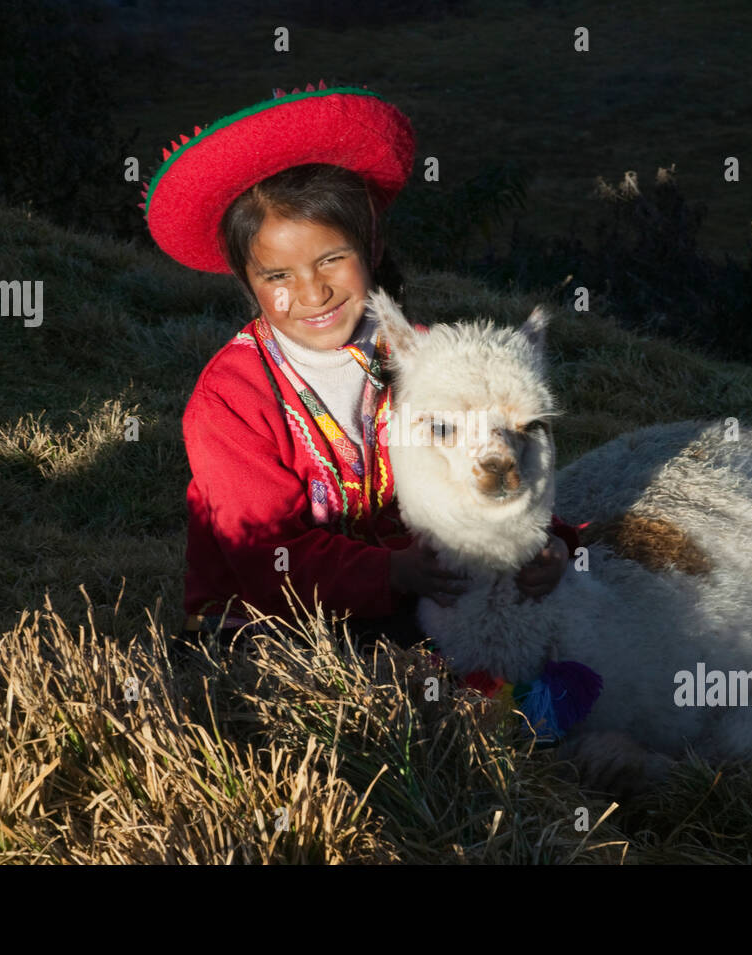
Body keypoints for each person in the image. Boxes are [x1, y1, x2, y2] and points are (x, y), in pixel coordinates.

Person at [141, 82, 581, 655]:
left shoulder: (421, 361)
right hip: (269, 620)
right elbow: (260, 552)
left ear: (371, 248)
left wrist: (554, 544)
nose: (313, 292)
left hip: (419, 589)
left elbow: (497, 457)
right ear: (247, 281)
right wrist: (390, 574)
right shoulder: (232, 398)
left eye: (331, 259)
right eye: (278, 277)